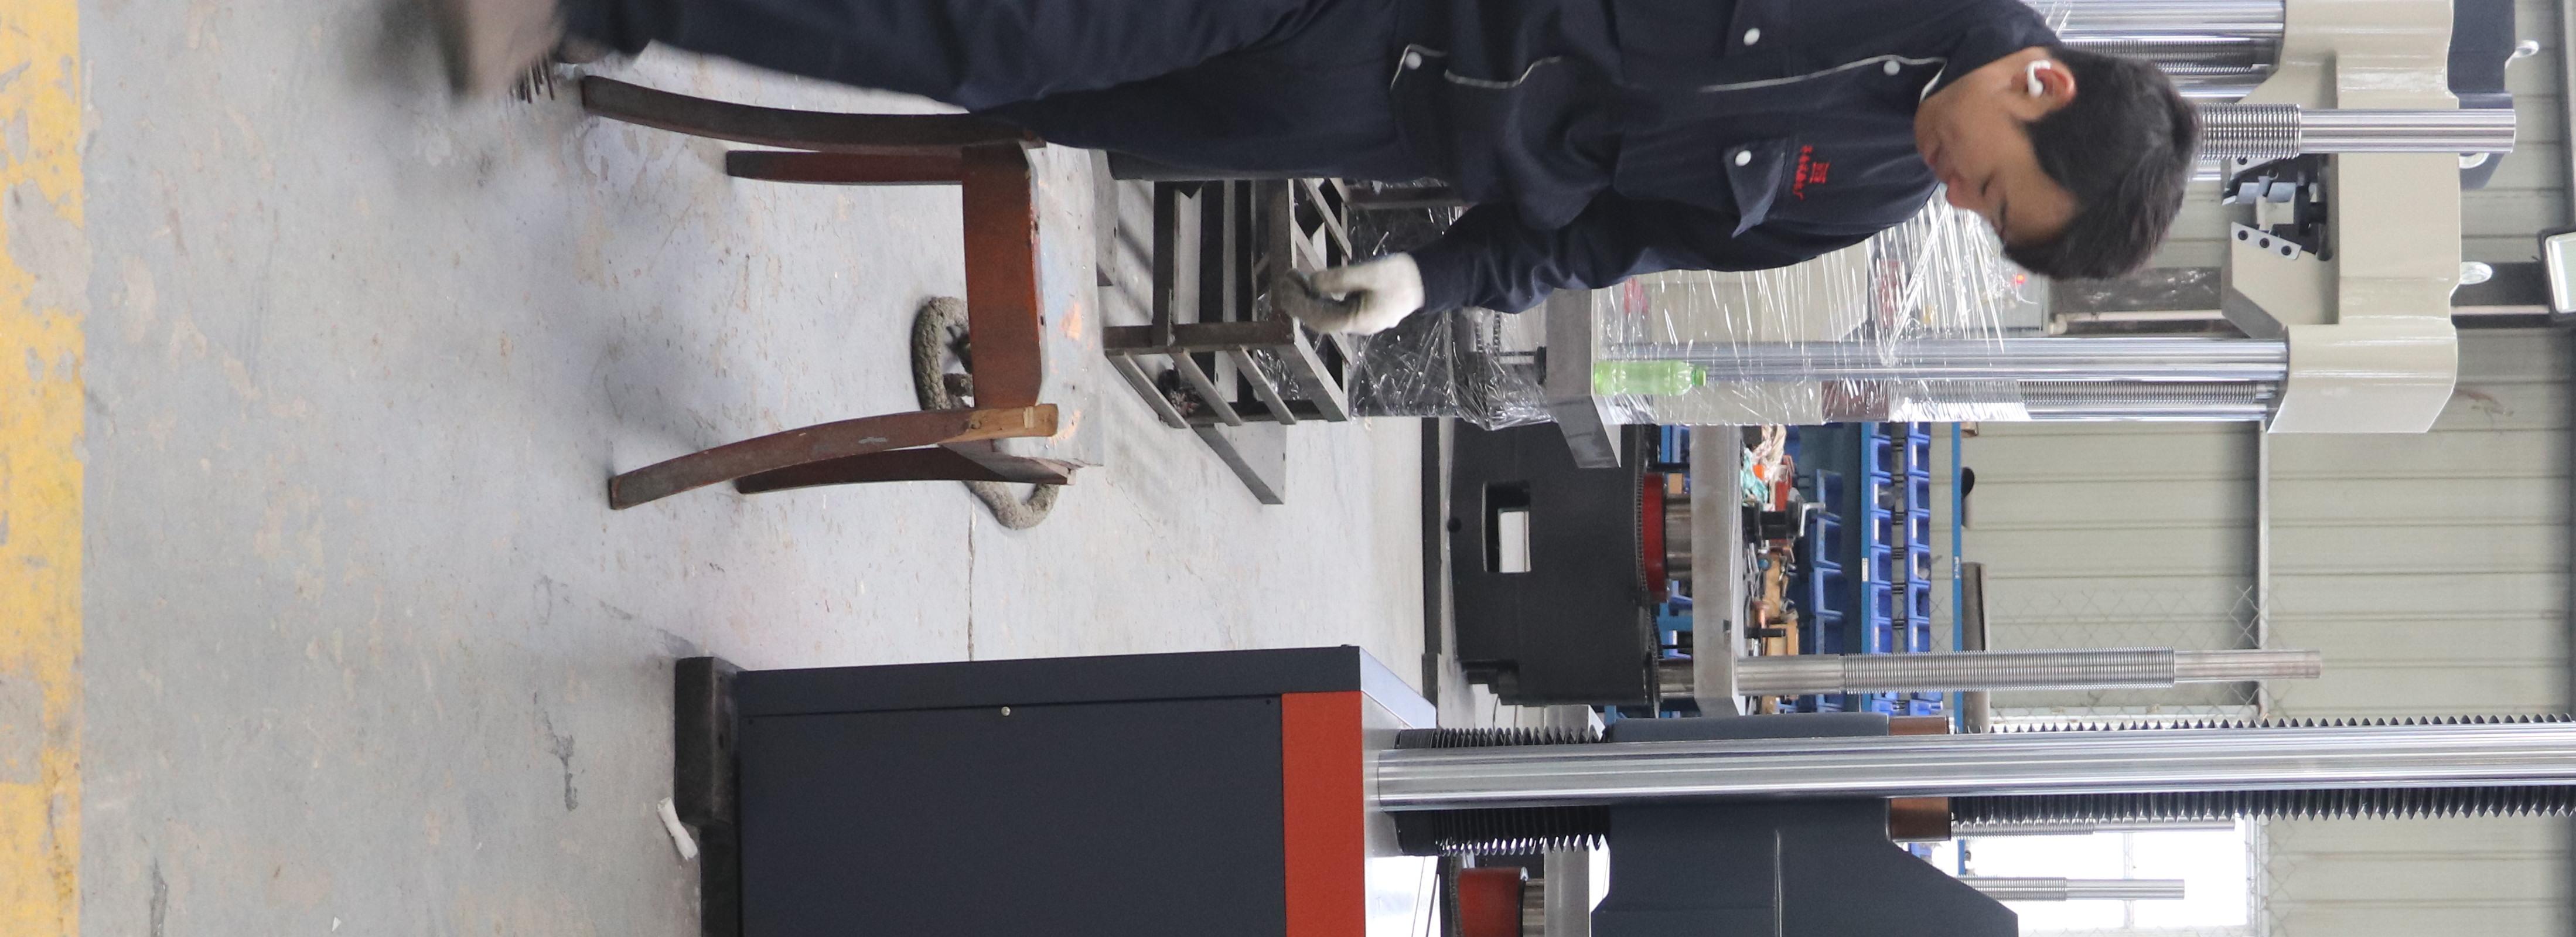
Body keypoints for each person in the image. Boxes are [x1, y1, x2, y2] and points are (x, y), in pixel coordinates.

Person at [429, 0, 2203, 325]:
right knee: (1007, 34)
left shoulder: (1867, 188)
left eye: (1985, 219)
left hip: (1354, 123)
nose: (1952, 200)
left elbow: (1609, 241)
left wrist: (1432, 272)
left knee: (1035, 98)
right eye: (1994, 180)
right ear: (2037, 80)